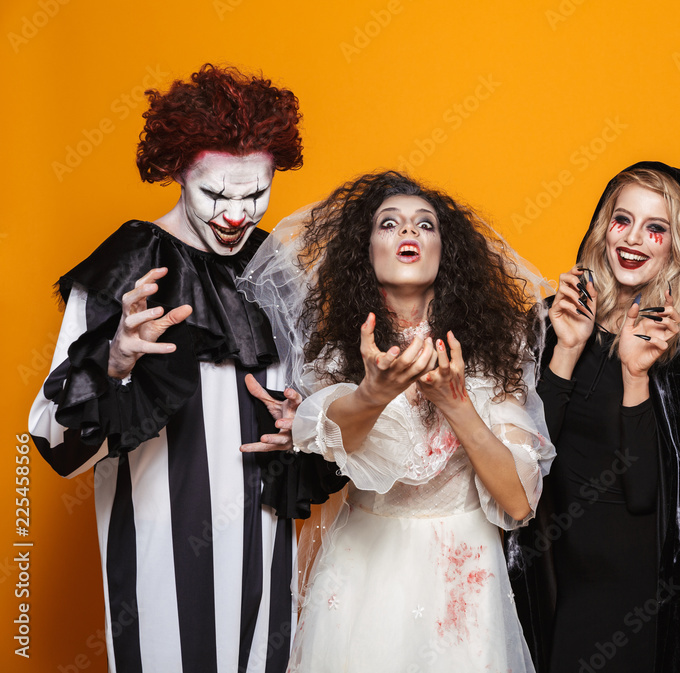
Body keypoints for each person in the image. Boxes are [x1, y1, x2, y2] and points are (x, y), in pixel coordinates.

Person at [28, 64, 343, 673]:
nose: (235, 214)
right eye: (216, 194)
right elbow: (50, 434)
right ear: (178, 172)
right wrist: (114, 359)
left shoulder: (277, 271)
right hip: (158, 545)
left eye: (255, 193)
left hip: (267, 542)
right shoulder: (130, 267)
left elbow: (321, 408)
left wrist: (308, 422)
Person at [239, 171, 556, 672]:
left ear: (445, 251)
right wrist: (372, 394)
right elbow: (337, 436)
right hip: (364, 572)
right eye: (389, 223)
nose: (408, 232)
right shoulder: (339, 353)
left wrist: (456, 404)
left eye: (425, 225)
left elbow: (518, 500)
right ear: (365, 250)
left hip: (463, 571)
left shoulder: (497, 350)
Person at [510, 162, 680, 672]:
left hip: (641, 603)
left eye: (656, 228)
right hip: (559, 585)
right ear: (603, 227)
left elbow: (645, 495)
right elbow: (525, 474)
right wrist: (567, 352)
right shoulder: (549, 322)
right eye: (623, 220)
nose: (634, 239)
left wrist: (636, 375)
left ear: (677, 246)